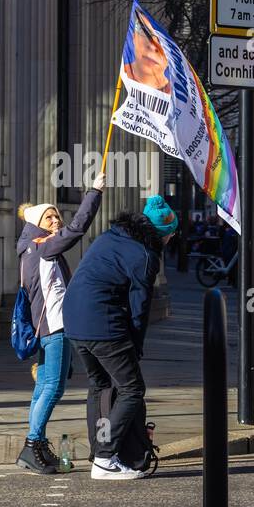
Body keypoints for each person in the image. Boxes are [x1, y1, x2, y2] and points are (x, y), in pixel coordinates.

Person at [64, 196, 176, 479]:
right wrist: (135, 345)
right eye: (171, 235)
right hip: (102, 323)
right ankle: (104, 458)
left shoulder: (111, 236)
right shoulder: (146, 256)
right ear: (162, 234)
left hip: (74, 320)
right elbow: (140, 308)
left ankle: (98, 451)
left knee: (99, 385)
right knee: (132, 389)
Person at [13, 172, 106, 474]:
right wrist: (94, 191)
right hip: (54, 327)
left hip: (48, 328)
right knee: (53, 387)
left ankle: (36, 446)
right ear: (38, 224)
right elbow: (78, 228)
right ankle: (32, 443)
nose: (57, 221)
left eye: (57, 216)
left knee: (43, 387)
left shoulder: (32, 249)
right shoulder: (42, 247)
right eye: (50, 217)